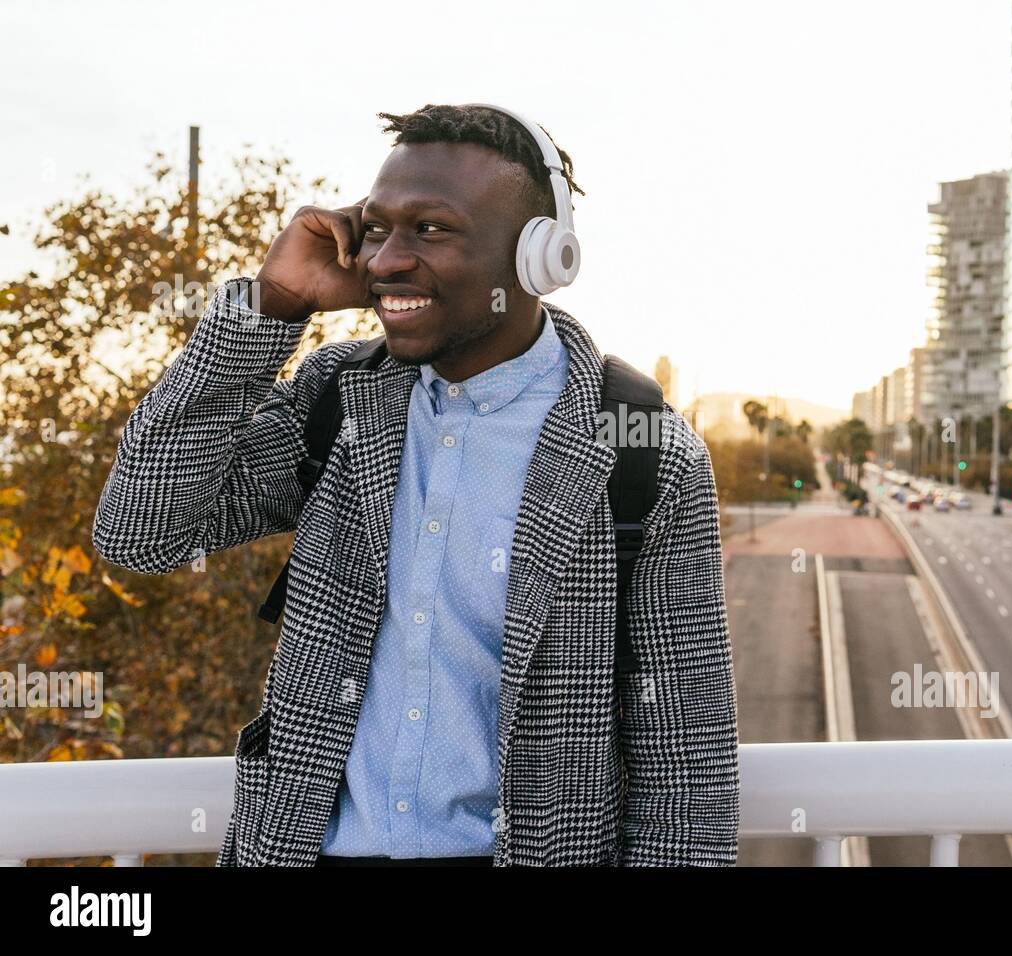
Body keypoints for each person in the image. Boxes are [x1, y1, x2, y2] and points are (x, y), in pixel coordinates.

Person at [92, 103, 739, 866]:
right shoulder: (338, 397)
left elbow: (686, 773)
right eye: (376, 228)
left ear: (539, 257)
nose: (384, 261)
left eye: (430, 230)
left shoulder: (641, 453)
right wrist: (273, 307)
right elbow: (140, 532)